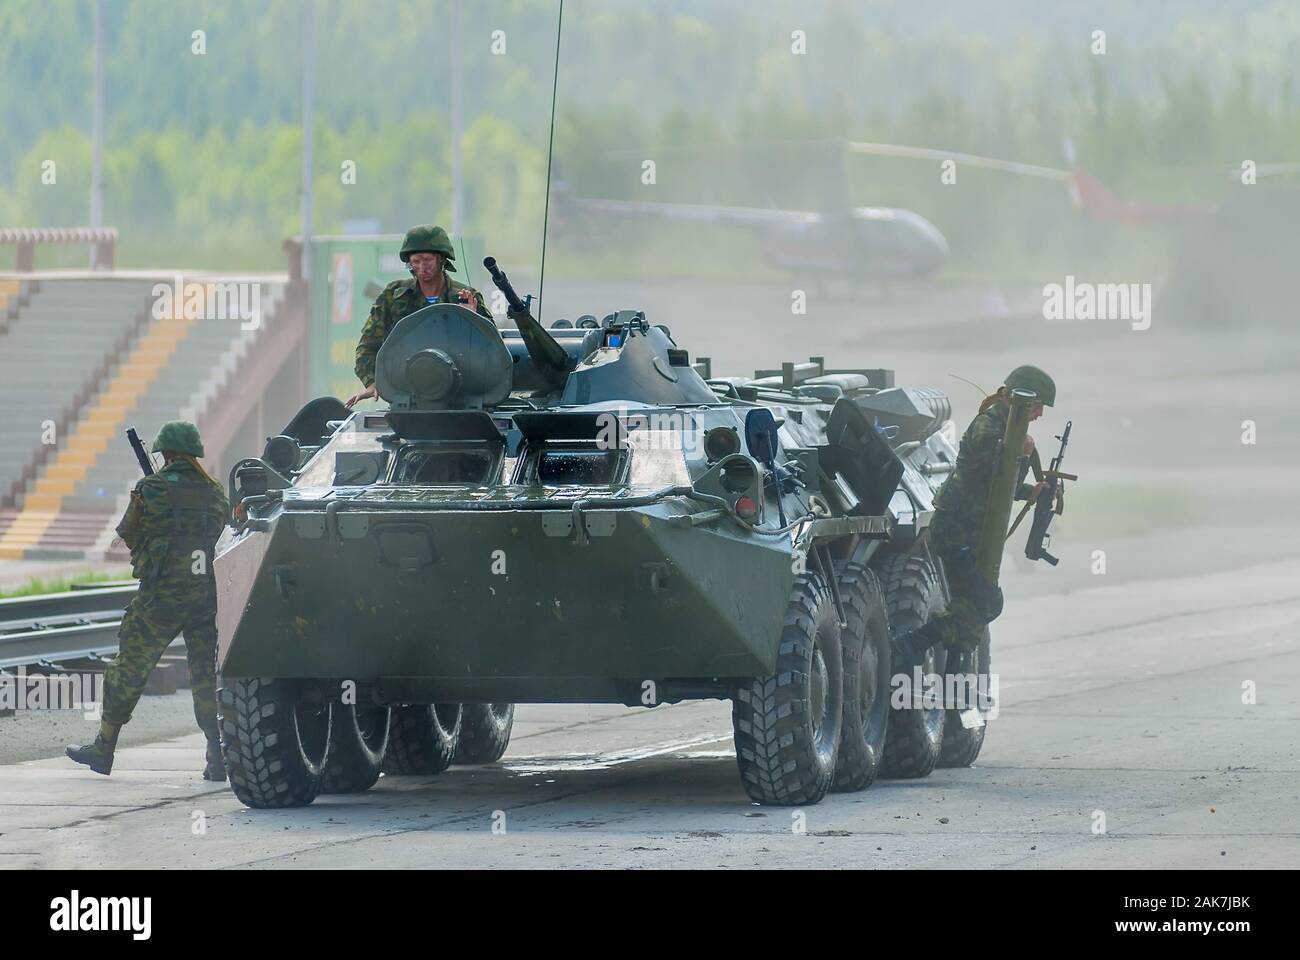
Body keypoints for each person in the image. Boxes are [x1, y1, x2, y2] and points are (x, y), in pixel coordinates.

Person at [66, 421, 230, 779]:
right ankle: (217, 757)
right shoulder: (216, 491)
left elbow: (127, 533)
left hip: (161, 598)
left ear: (166, 453)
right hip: (205, 596)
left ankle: (104, 747)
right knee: (204, 674)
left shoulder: (150, 488)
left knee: (130, 667)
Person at [899, 365, 1056, 661]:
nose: (1040, 415)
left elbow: (996, 486)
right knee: (987, 602)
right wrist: (1020, 452)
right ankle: (912, 645)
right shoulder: (988, 427)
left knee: (969, 614)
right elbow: (989, 473)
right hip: (956, 529)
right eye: (1038, 407)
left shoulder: (1005, 428)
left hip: (970, 530)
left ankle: (952, 686)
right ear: (1019, 401)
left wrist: (1028, 491)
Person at [346, 224, 493, 408]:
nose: (421, 267)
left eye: (427, 260)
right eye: (415, 261)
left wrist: (471, 320)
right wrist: (372, 382)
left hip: (460, 398)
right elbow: (368, 346)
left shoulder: (464, 297)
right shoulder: (394, 296)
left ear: (441, 259)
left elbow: (491, 351)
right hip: (410, 397)